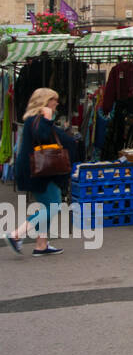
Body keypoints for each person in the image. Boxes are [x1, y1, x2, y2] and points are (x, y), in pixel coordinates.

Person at [5, 88, 73, 257]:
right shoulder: (37, 120)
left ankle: (41, 245)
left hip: (39, 170)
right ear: (45, 101)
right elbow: (42, 135)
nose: (56, 103)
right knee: (54, 205)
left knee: (48, 205)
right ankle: (17, 234)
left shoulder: (34, 120)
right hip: (38, 170)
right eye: (53, 100)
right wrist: (48, 117)